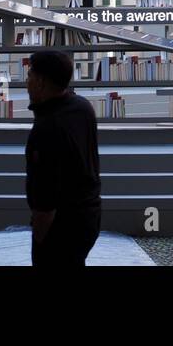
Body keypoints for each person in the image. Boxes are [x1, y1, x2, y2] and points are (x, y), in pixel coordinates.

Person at [26, 49, 103, 266]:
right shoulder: (82, 107)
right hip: (89, 214)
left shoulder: (47, 128)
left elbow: (45, 194)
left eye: (30, 75)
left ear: (40, 81)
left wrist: (39, 235)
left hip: (61, 225)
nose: (27, 80)